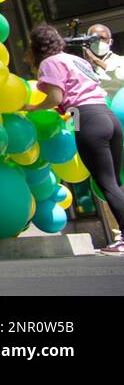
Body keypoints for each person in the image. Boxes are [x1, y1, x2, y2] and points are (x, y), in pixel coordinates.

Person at [25, 23, 124, 253]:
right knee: (116, 183)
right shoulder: (77, 60)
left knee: (106, 183)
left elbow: (55, 96)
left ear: (36, 47)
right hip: (107, 116)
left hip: (88, 118)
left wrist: (32, 107)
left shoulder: (49, 63)